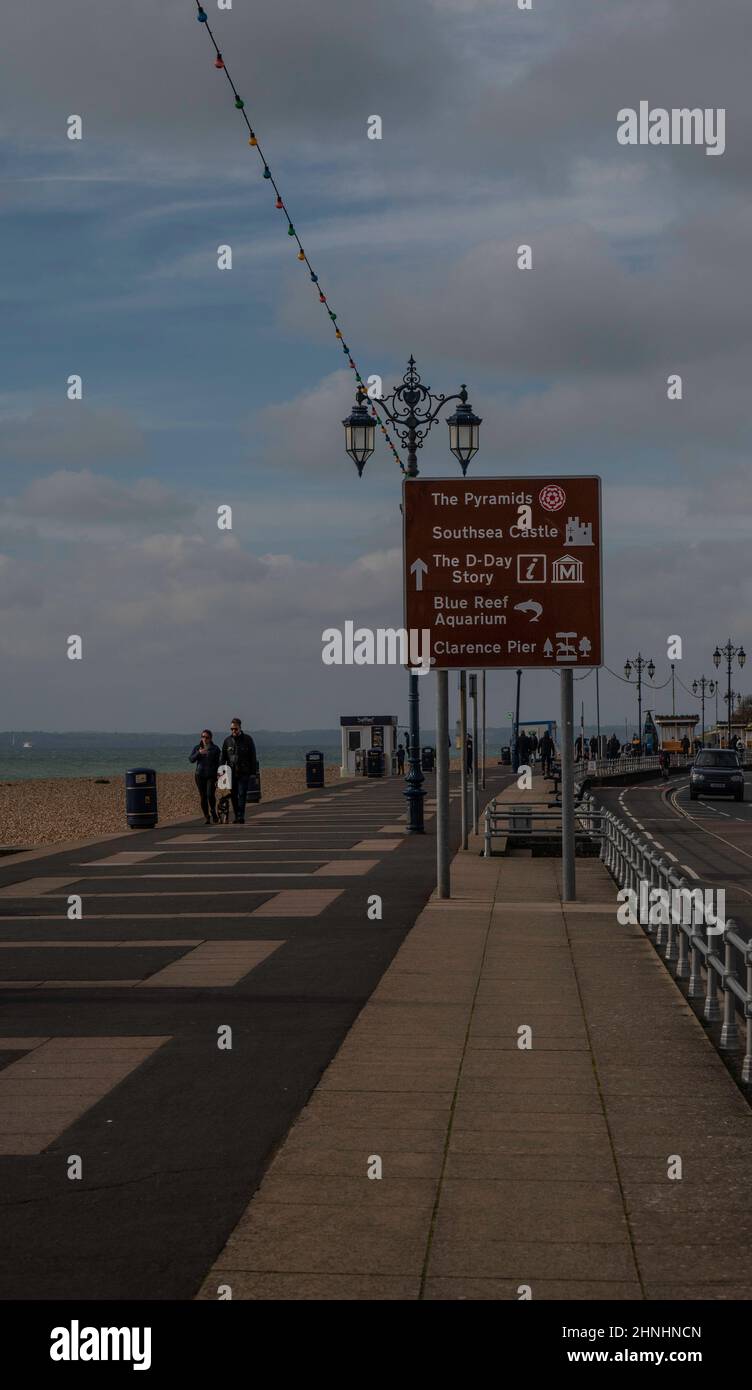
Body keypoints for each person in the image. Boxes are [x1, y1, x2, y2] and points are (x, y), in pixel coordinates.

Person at [221, 717, 259, 824]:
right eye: (232, 729)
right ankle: (237, 815)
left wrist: (253, 772)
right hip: (231, 772)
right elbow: (223, 757)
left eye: (235, 729)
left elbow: (253, 756)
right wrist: (221, 771)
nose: (233, 731)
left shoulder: (247, 739)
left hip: (244, 772)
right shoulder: (227, 741)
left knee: (242, 794)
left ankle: (240, 816)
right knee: (233, 795)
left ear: (240, 728)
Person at [189, 728, 220, 825]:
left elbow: (219, 762)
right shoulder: (197, 747)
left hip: (211, 775)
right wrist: (199, 753)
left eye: (207, 737)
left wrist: (219, 775)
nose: (204, 739)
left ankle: (213, 811)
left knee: (210, 794)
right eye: (203, 737)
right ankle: (207, 816)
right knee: (203, 797)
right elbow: (191, 759)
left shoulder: (215, 749)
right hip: (200, 775)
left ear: (210, 738)